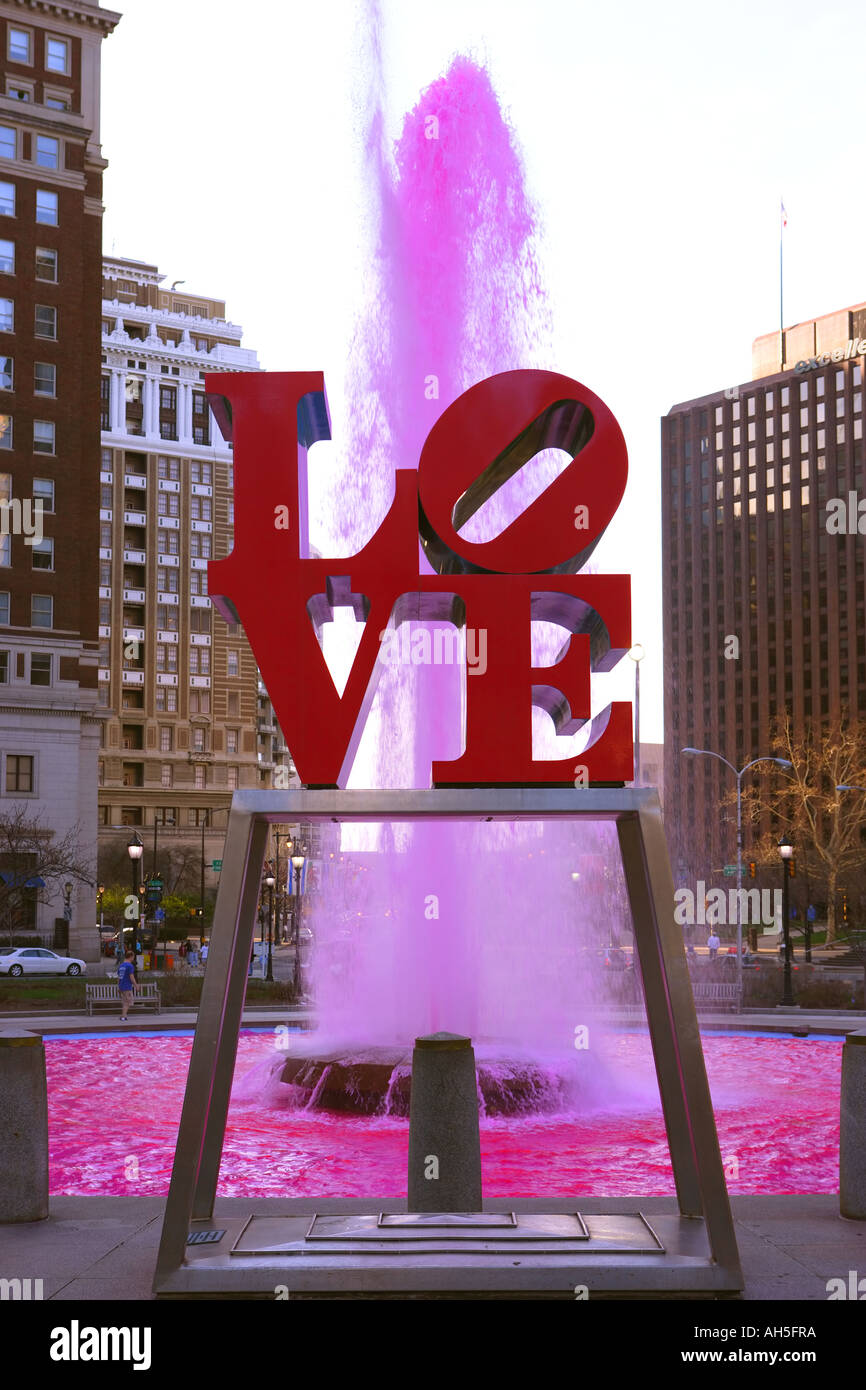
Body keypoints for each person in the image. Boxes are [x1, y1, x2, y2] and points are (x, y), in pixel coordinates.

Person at [118, 950, 137, 1021]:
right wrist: (136, 985)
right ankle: (123, 1016)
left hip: (122, 986)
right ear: (131, 957)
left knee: (125, 1002)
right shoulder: (130, 966)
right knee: (128, 1002)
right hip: (127, 986)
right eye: (133, 957)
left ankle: (124, 1016)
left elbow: (119, 977)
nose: (133, 959)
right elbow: (131, 977)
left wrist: (119, 986)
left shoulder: (121, 965)